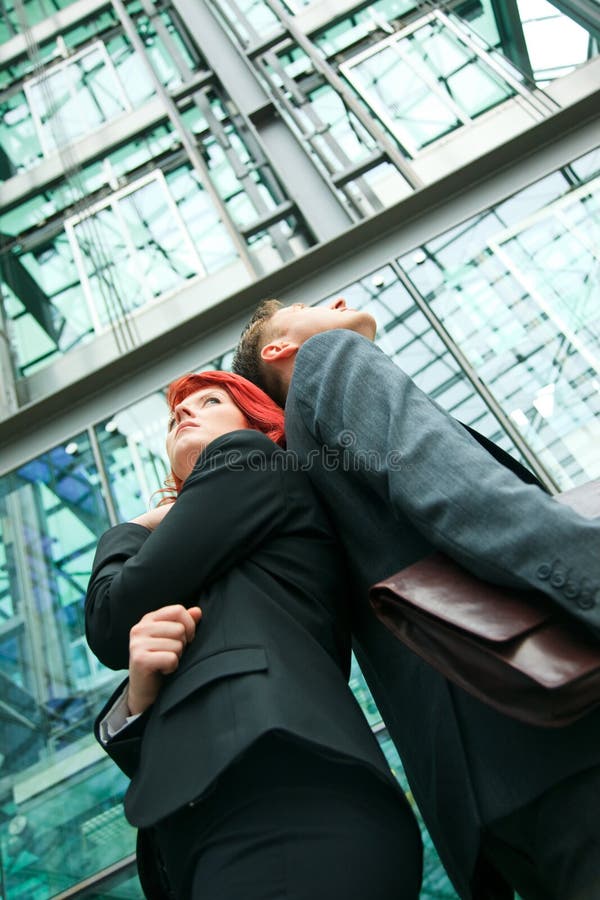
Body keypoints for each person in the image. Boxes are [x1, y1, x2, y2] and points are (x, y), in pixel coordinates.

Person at [231, 298, 600, 900]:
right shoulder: (330, 359)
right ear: (278, 349)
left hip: (490, 793)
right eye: (305, 305)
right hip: (559, 730)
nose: (341, 300)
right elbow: (467, 499)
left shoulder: (307, 477)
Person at [85, 370, 422, 900]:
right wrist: (140, 699)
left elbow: (108, 621)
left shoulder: (250, 455)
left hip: (284, 807)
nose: (183, 415)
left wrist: (128, 530)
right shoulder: (222, 556)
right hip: (238, 821)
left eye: (211, 400)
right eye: (175, 416)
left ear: (258, 421)